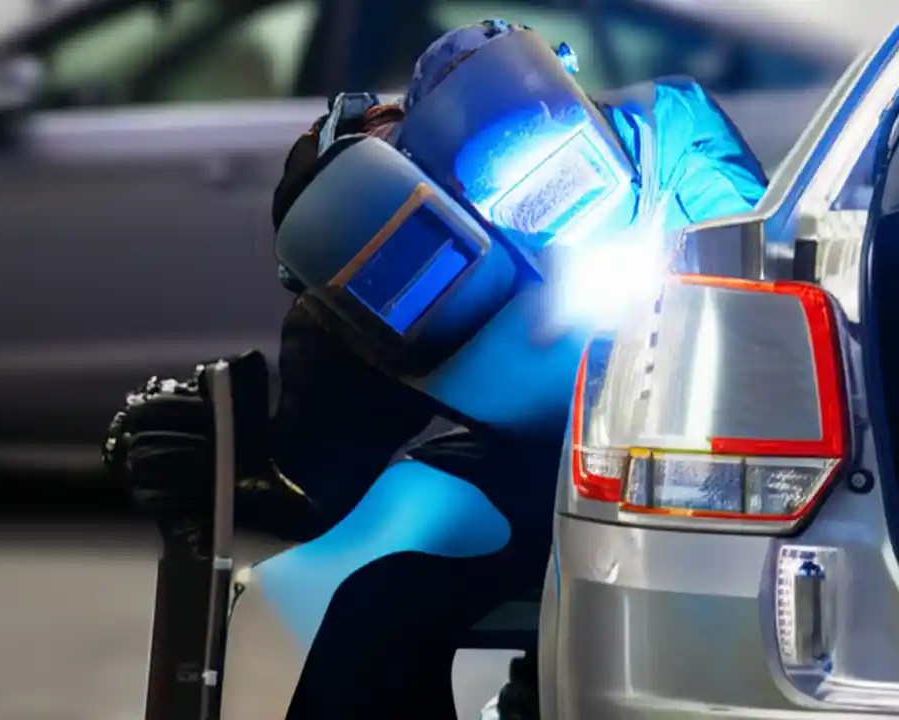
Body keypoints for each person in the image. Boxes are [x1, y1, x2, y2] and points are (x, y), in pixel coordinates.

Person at [258, 20, 769, 719]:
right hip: (543, 461)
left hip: (704, 458)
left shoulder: (672, 134)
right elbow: (319, 471)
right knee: (372, 586)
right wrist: (223, 457)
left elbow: (753, 295)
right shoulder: (413, 234)